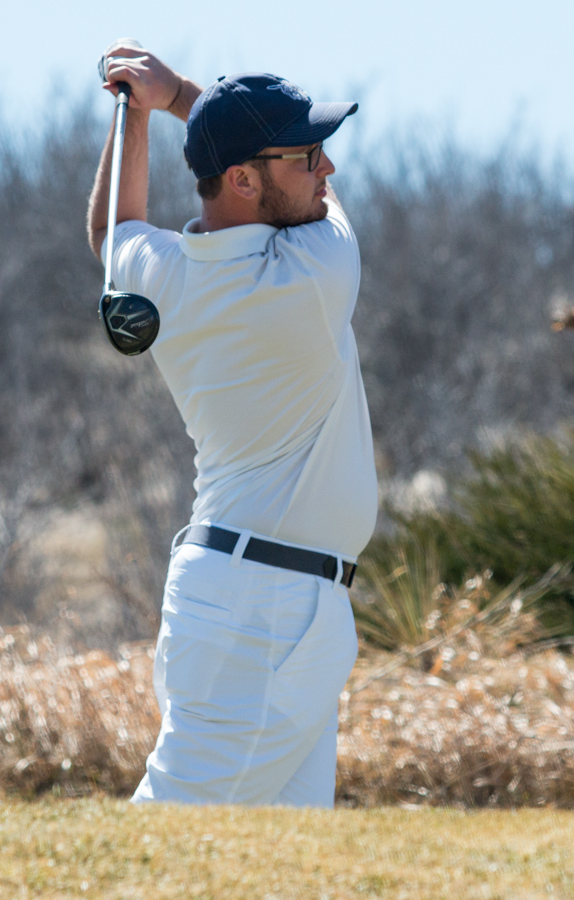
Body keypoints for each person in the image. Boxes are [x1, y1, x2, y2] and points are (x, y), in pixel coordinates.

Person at [90, 42, 376, 808]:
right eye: (308, 156)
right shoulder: (315, 270)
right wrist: (178, 95)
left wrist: (137, 118)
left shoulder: (167, 277)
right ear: (244, 180)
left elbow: (113, 231)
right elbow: (117, 231)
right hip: (267, 609)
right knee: (167, 848)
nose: (328, 171)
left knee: (278, 871)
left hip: (258, 598)